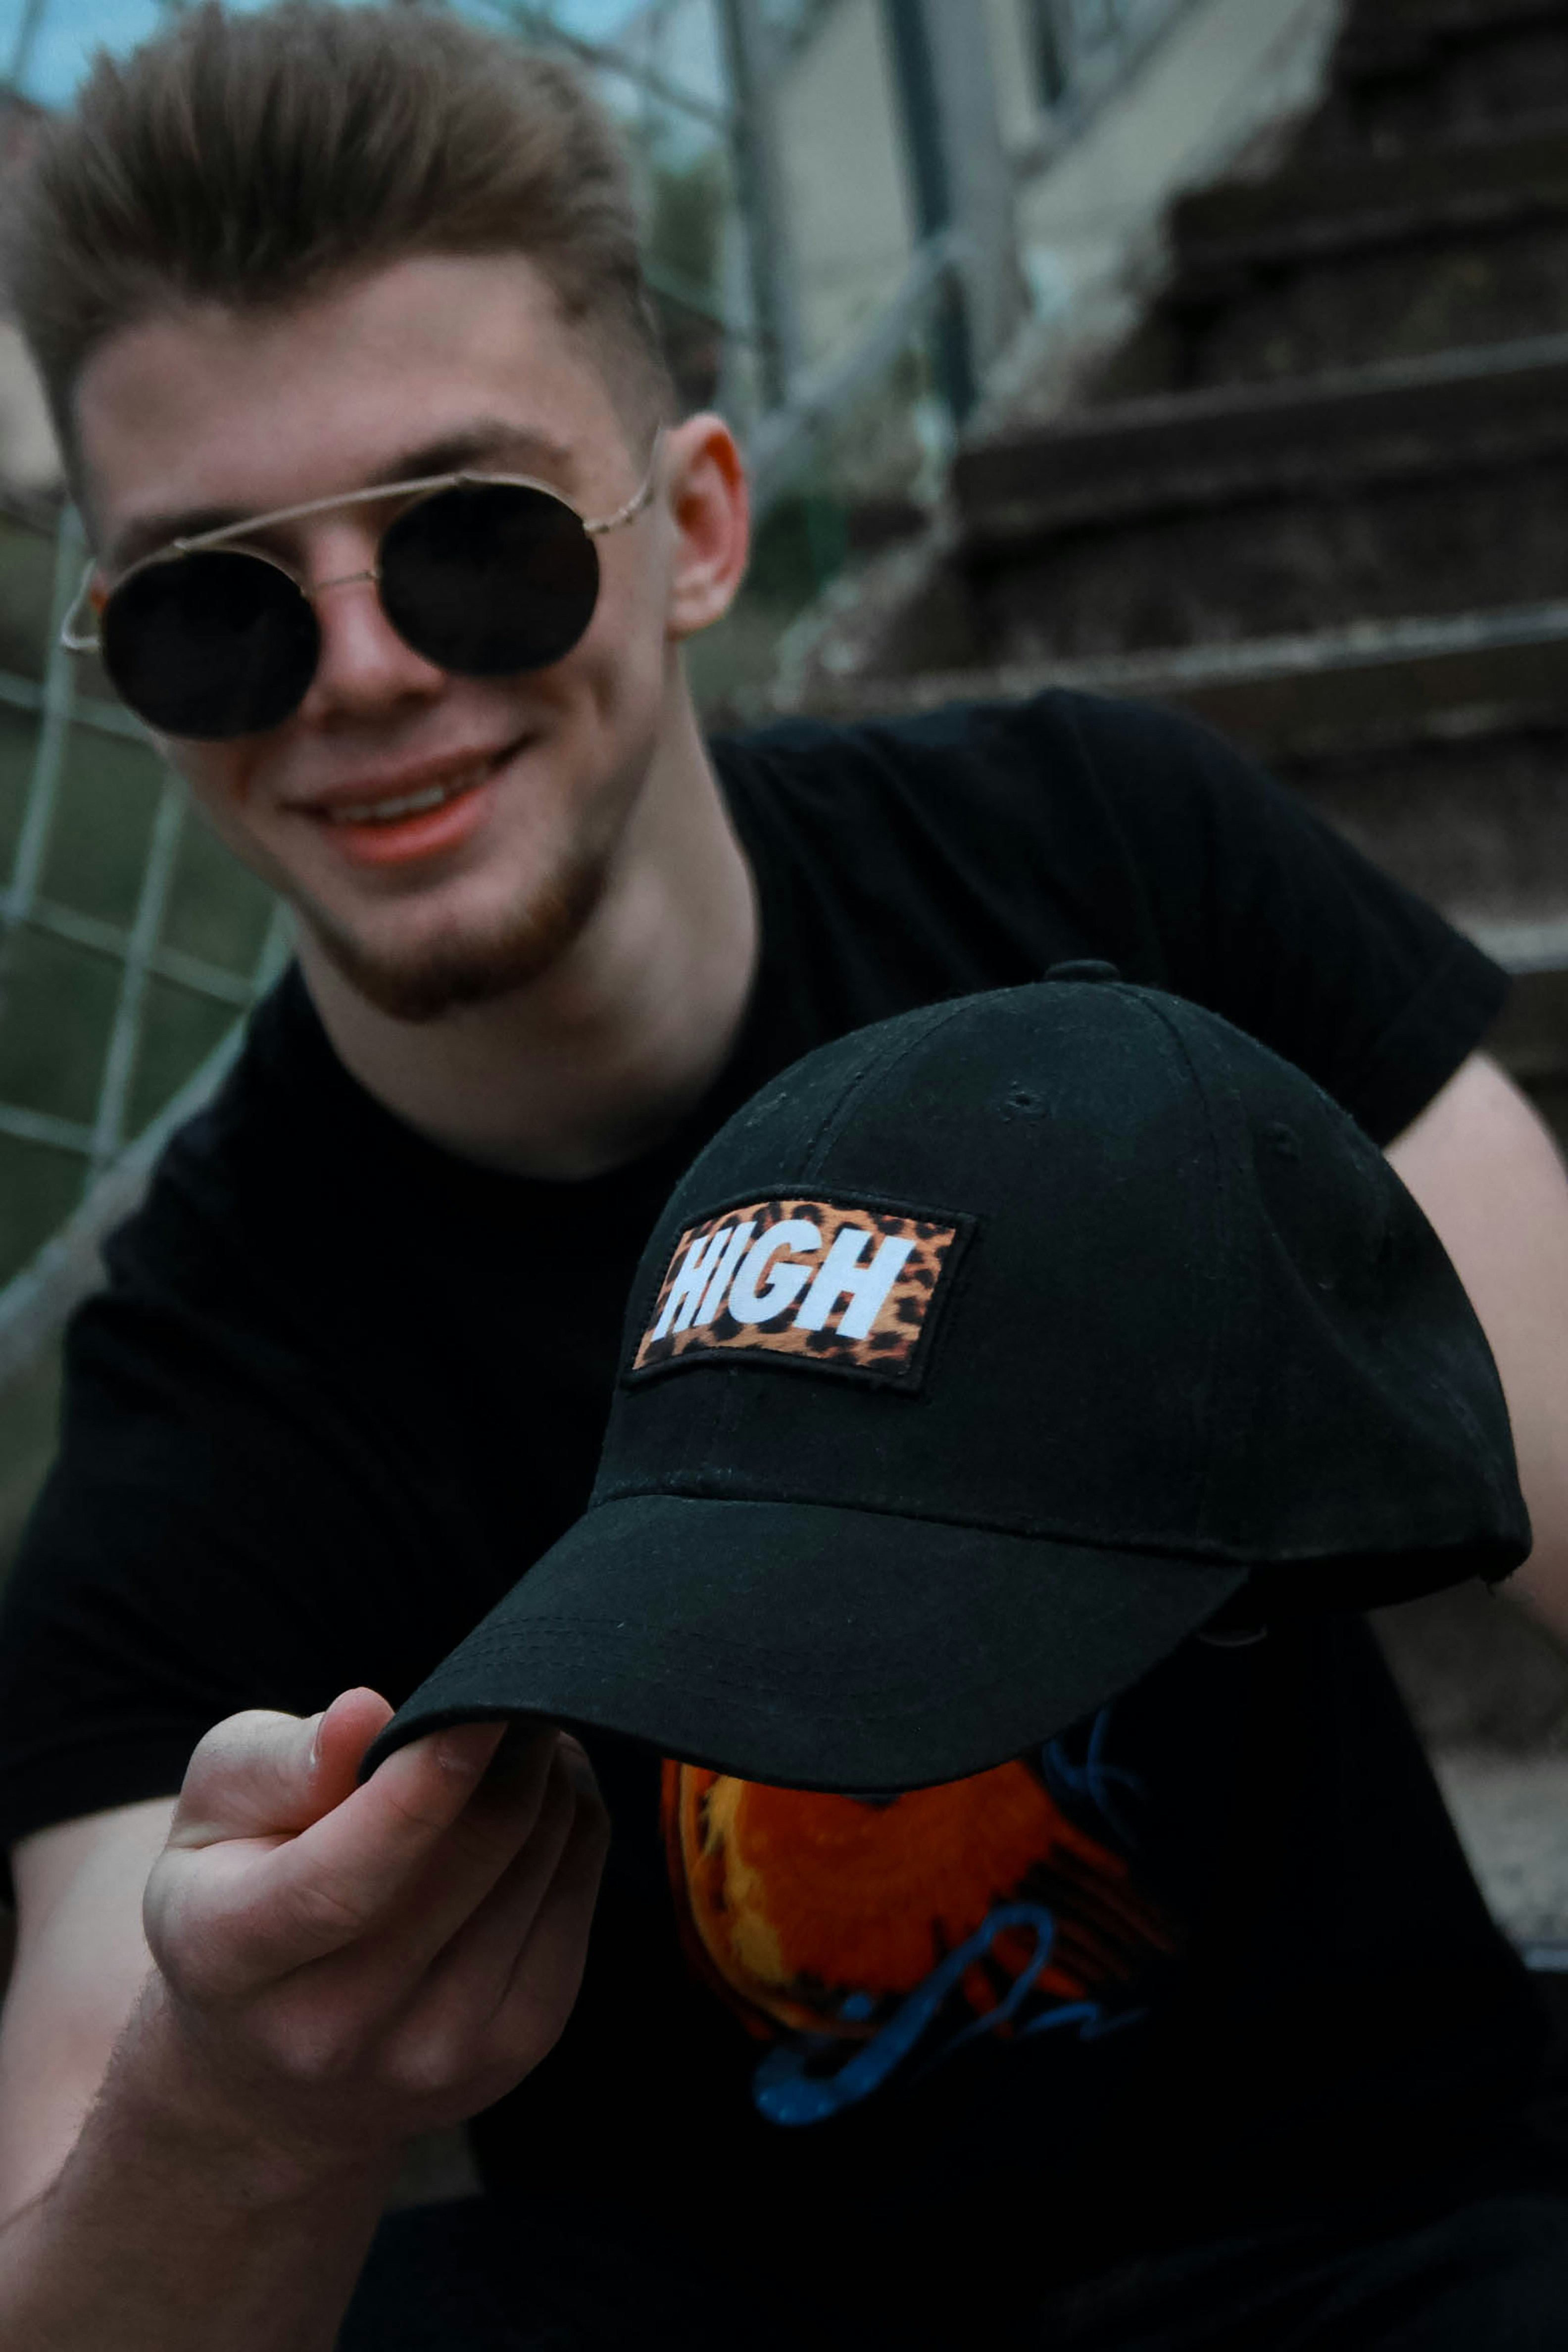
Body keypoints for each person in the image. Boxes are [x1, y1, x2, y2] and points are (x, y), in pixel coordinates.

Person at [0, 5, 1561, 2346]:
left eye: (478, 544)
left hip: (1399, 2234)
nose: (359, 672)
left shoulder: (1101, 862)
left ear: (701, 526)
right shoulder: (219, 1373)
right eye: (215, 603)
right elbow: (75, 2247)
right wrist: (236, 2108)